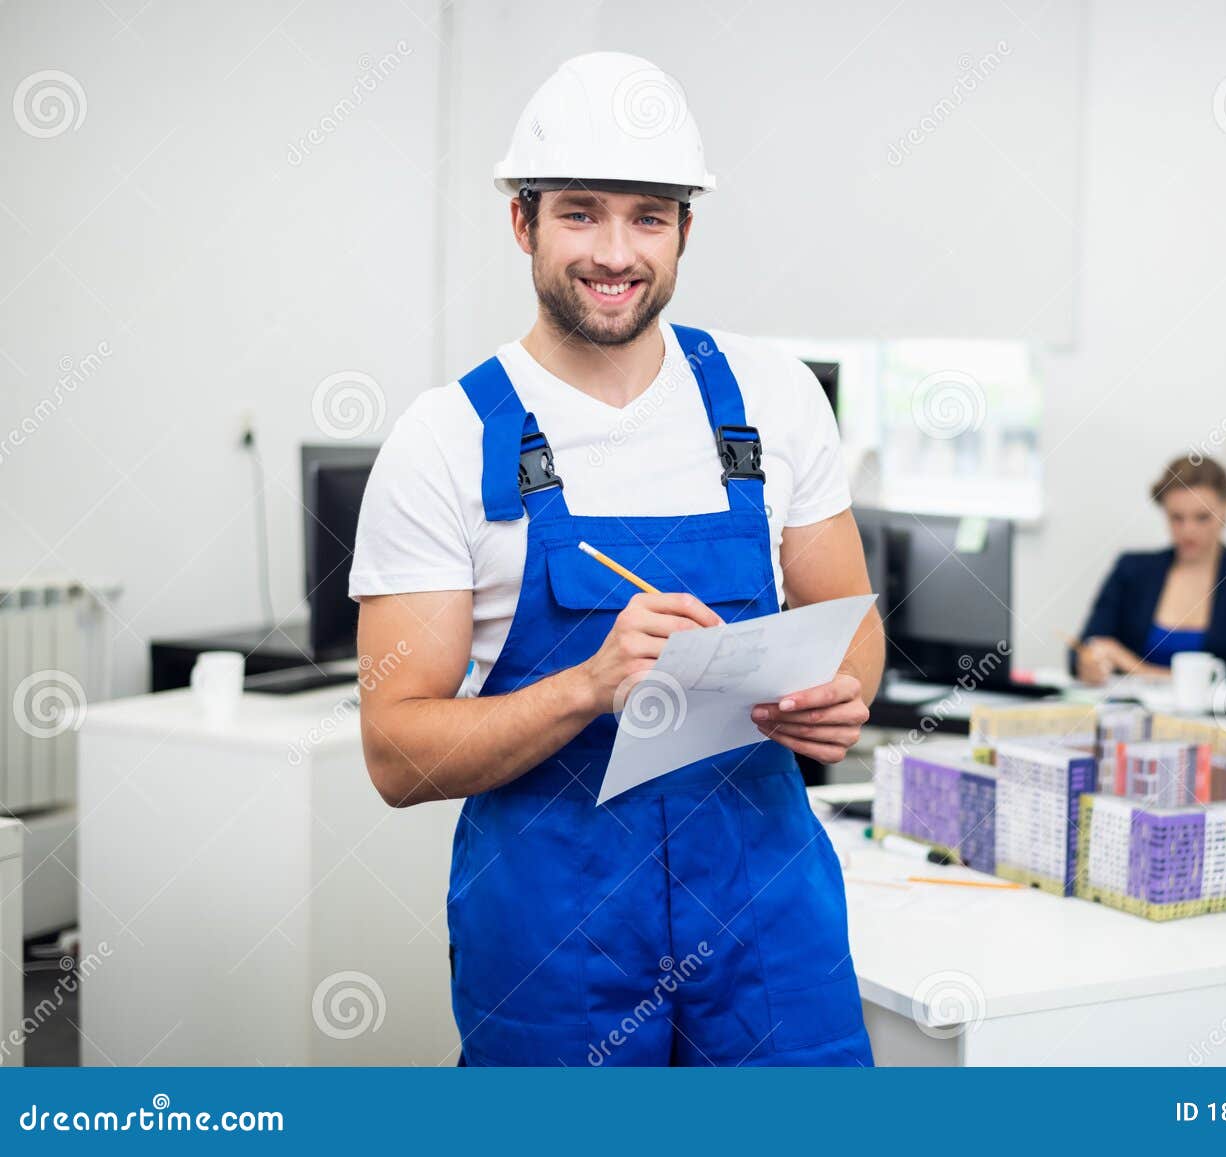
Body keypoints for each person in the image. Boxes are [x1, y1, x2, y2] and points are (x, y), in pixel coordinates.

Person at [349, 52, 882, 1067]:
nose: (614, 251)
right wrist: (587, 686)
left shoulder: (772, 397)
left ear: (685, 228)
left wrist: (837, 696)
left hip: (771, 920)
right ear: (523, 222)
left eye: (647, 215)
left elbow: (852, 626)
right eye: (581, 212)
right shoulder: (446, 438)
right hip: (557, 940)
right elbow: (396, 753)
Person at [1072, 455, 1226, 684]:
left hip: (1215, 720)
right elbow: (1081, 649)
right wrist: (1089, 663)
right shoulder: (1131, 570)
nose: (1188, 531)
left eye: (1202, 518)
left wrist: (1135, 668)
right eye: (1176, 518)